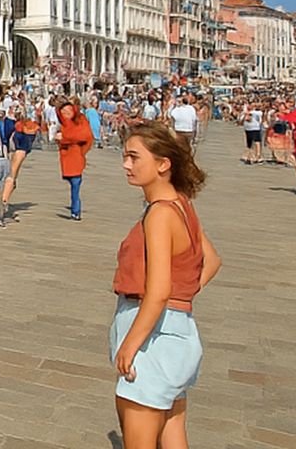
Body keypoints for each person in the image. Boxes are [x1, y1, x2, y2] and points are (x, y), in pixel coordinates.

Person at [112, 123, 220, 449]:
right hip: (178, 334)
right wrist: (181, 296)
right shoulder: (181, 204)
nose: (126, 165)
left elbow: (158, 291)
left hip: (153, 338)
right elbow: (211, 261)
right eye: (125, 156)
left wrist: (131, 343)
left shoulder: (160, 214)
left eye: (134, 157)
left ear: (163, 164)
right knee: (172, 432)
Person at [58, 101, 94, 221]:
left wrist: (64, 139)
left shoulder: (81, 121)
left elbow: (84, 136)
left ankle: (76, 211)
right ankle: (75, 209)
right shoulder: (64, 125)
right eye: (63, 113)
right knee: (73, 183)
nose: (66, 115)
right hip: (68, 157)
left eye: (68, 113)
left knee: (75, 184)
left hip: (76, 158)